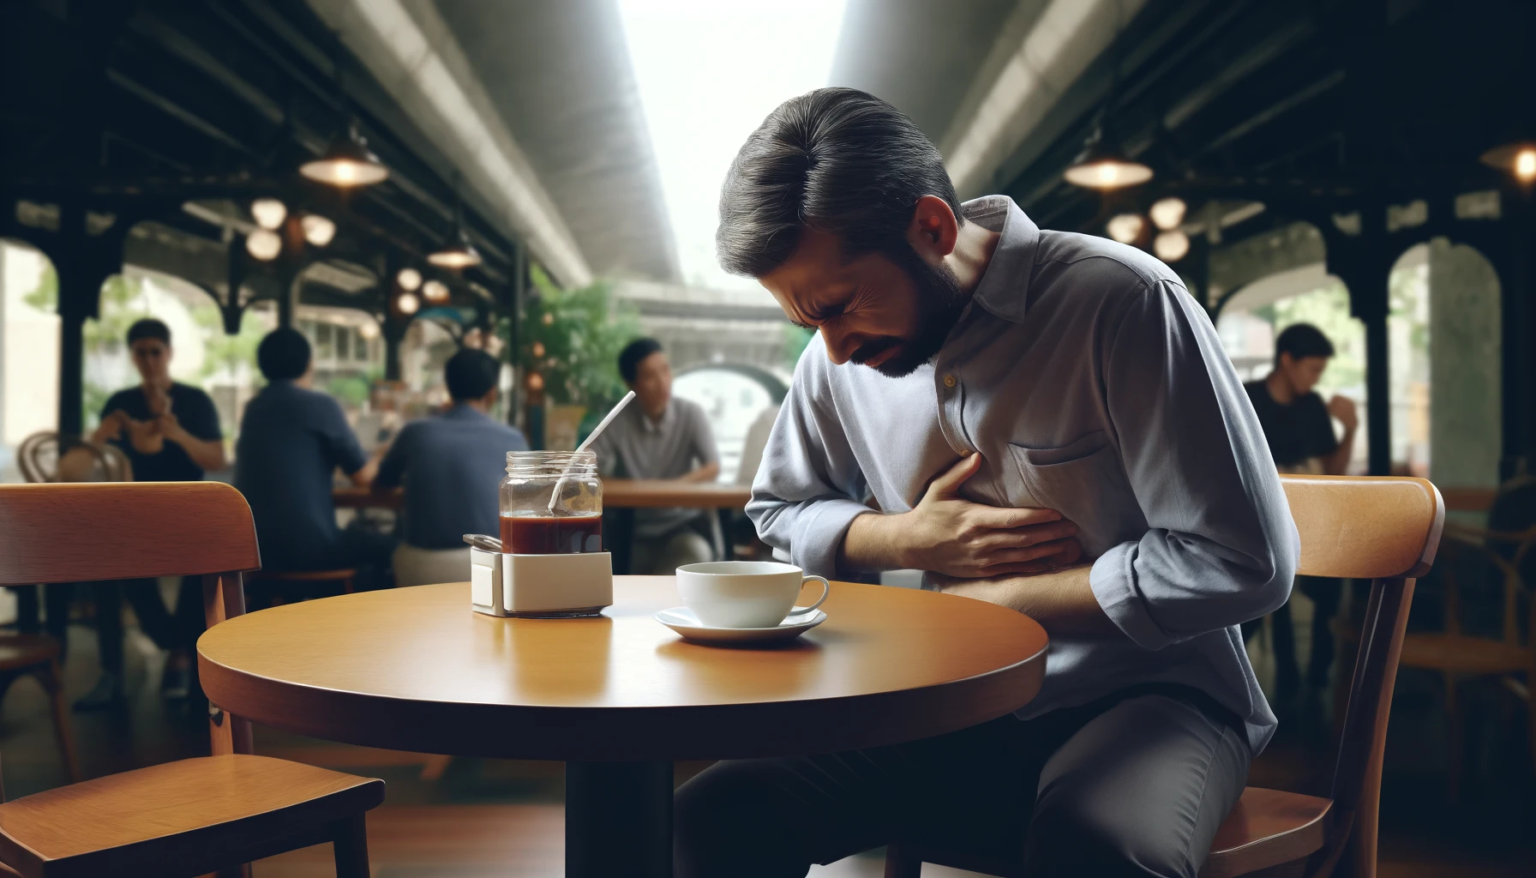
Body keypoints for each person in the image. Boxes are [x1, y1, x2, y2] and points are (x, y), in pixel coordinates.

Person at [674, 88, 1296, 878]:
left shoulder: (1124, 303)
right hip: (943, 696)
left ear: (931, 227)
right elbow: (778, 506)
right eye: (808, 325)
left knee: (1092, 847)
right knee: (708, 821)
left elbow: (1246, 560)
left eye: (838, 306)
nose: (829, 353)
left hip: (1151, 694)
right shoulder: (840, 359)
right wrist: (899, 536)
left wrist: (1005, 604)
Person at [65, 318, 226, 709]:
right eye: (142, 352)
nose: (150, 360)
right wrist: (101, 435)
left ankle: (185, 655)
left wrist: (177, 434)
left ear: (169, 354)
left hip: (187, 512)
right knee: (105, 565)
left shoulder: (194, 401)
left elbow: (217, 459)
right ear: (133, 356)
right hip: (130, 513)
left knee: (208, 556)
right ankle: (121, 667)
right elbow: (73, 469)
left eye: (156, 351)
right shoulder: (120, 404)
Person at [1242, 323, 1358, 694]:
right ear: (1287, 360)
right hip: (1255, 522)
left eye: (1321, 371)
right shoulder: (1247, 399)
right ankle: (1278, 678)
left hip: (1309, 521)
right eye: (1312, 369)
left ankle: (1318, 680)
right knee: (1266, 586)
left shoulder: (1312, 407)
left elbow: (1333, 474)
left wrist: (1351, 430)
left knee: (1333, 583)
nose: (1316, 379)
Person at [234, 328, 393, 578]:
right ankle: (352, 613)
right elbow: (364, 477)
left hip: (256, 550)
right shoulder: (320, 405)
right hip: (309, 549)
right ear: (309, 364)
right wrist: (383, 455)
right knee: (393, 548)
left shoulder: (253, 408)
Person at [374, 349, 528, 586]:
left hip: (420, 567)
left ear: (448, 387)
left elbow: (382, 483)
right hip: (488, 564)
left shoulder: (415, 433)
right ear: (492, 394)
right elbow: (528, 502)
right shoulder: (512, 439)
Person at [588, 339, 721, 574]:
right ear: (631, 384)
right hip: (632, 528)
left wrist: (672, 489)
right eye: (650, 376)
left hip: (682, 525)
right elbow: (587, 466)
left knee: (696, 554)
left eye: (665, 370)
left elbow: (712, 467)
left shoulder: (691, 414)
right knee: (608, 573)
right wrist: (633, 489)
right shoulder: (618, 419)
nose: (662, 383)